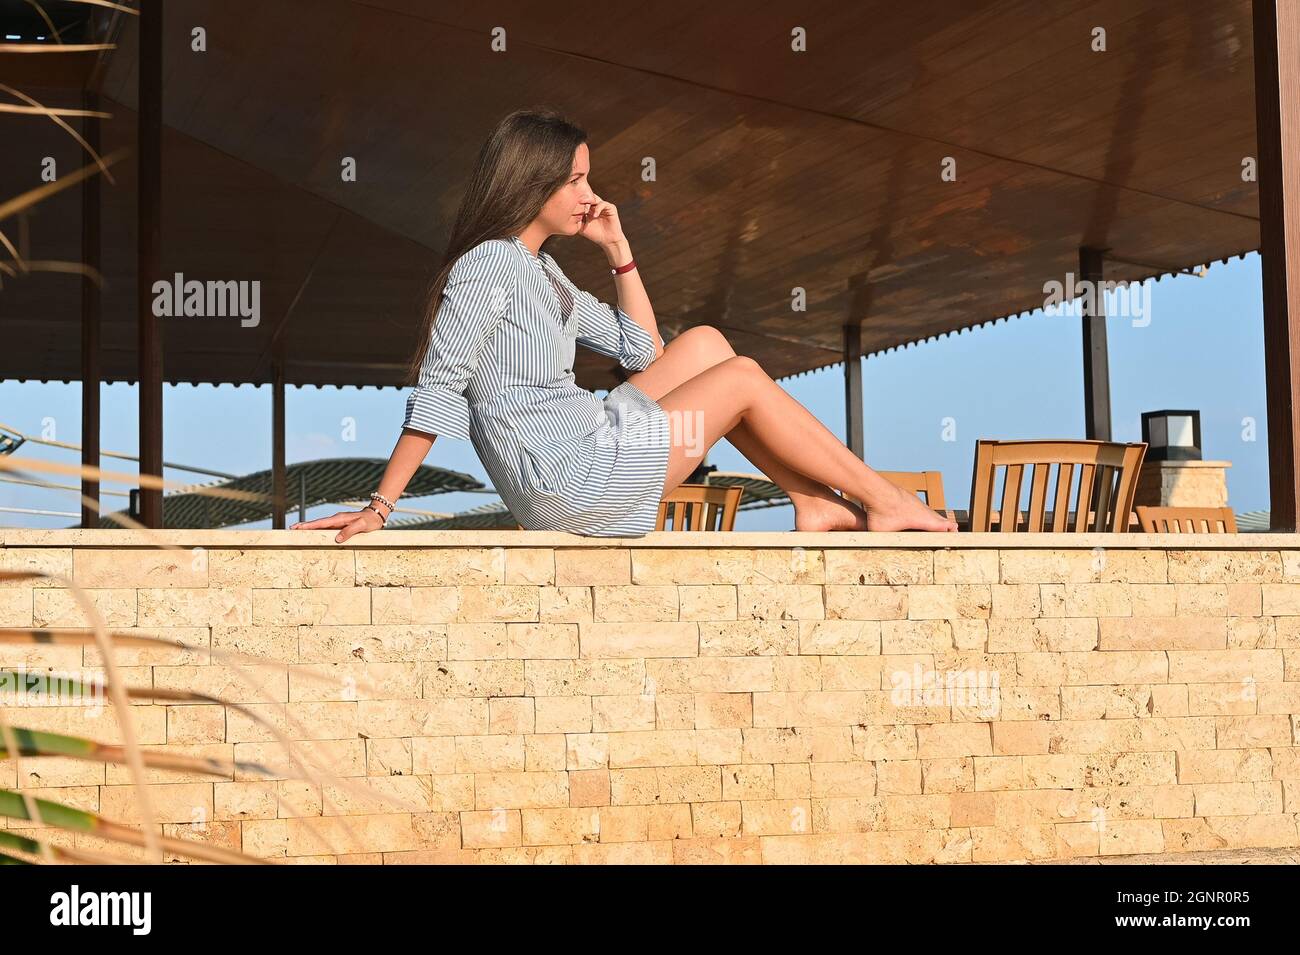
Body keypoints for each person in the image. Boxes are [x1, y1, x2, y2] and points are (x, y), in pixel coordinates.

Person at [292, 107, 957, 542]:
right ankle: (881, 498)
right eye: (576, 180)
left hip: (596, 437)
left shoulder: (543, 274)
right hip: (569, 475)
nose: (590, 195)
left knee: (707, 346)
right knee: (744, 379)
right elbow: (440, 387)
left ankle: (811, 502)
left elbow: (644, 350)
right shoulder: (489, 266)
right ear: (533, 183)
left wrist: (619, 252)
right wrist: (382, 506)